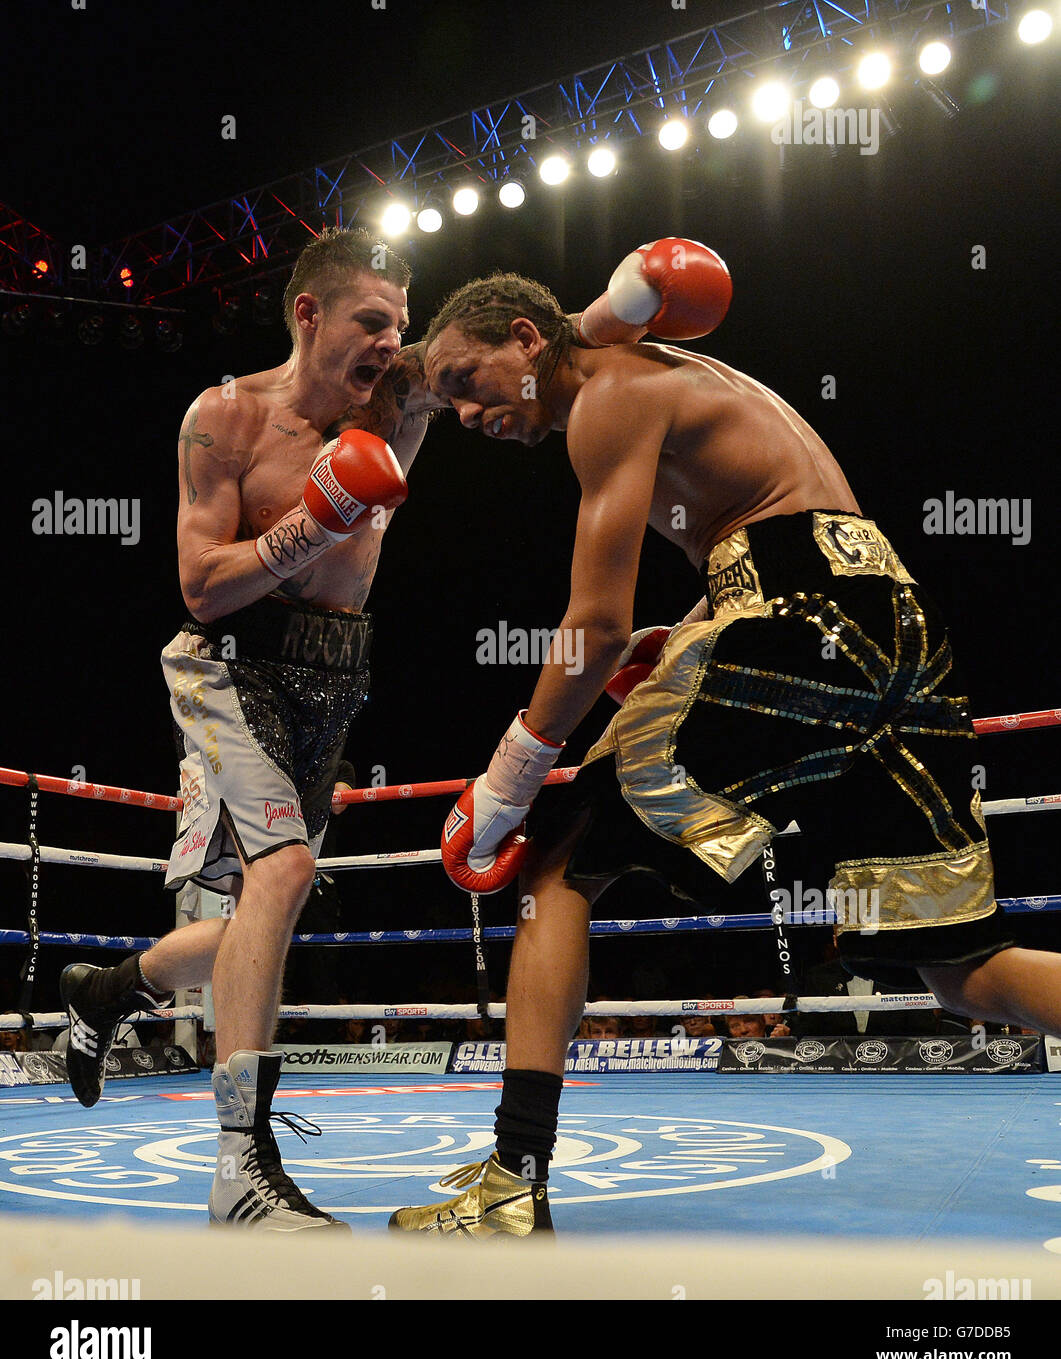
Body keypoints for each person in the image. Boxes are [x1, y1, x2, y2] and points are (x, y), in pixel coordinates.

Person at [389, 245, 1061, 1238]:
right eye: (445, 401)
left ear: (526, 339)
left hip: (801, 627)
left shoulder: (608, 392)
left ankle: (511, 1180)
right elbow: (780, 525)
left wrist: (507, 776)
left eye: (465, 380)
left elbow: (593, 625)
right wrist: (704, 615)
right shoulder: (666, 376)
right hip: (895, 626)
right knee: (964, 970)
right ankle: (509, 1174)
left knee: (555, 868)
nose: (466, 412)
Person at [60, 227, 440, 1232]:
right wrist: (310, 521)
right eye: (371, 318)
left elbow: (506, 348)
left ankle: (108, 989)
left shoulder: (399, 398)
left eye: (399, 322)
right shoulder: (223, 418)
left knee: (249, 926)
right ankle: (240, 1164)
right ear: (308, 313)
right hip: (229, 662)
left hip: (333, 673)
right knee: (280, 875)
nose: (389, 340)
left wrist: (619, 313)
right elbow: (198, 584)